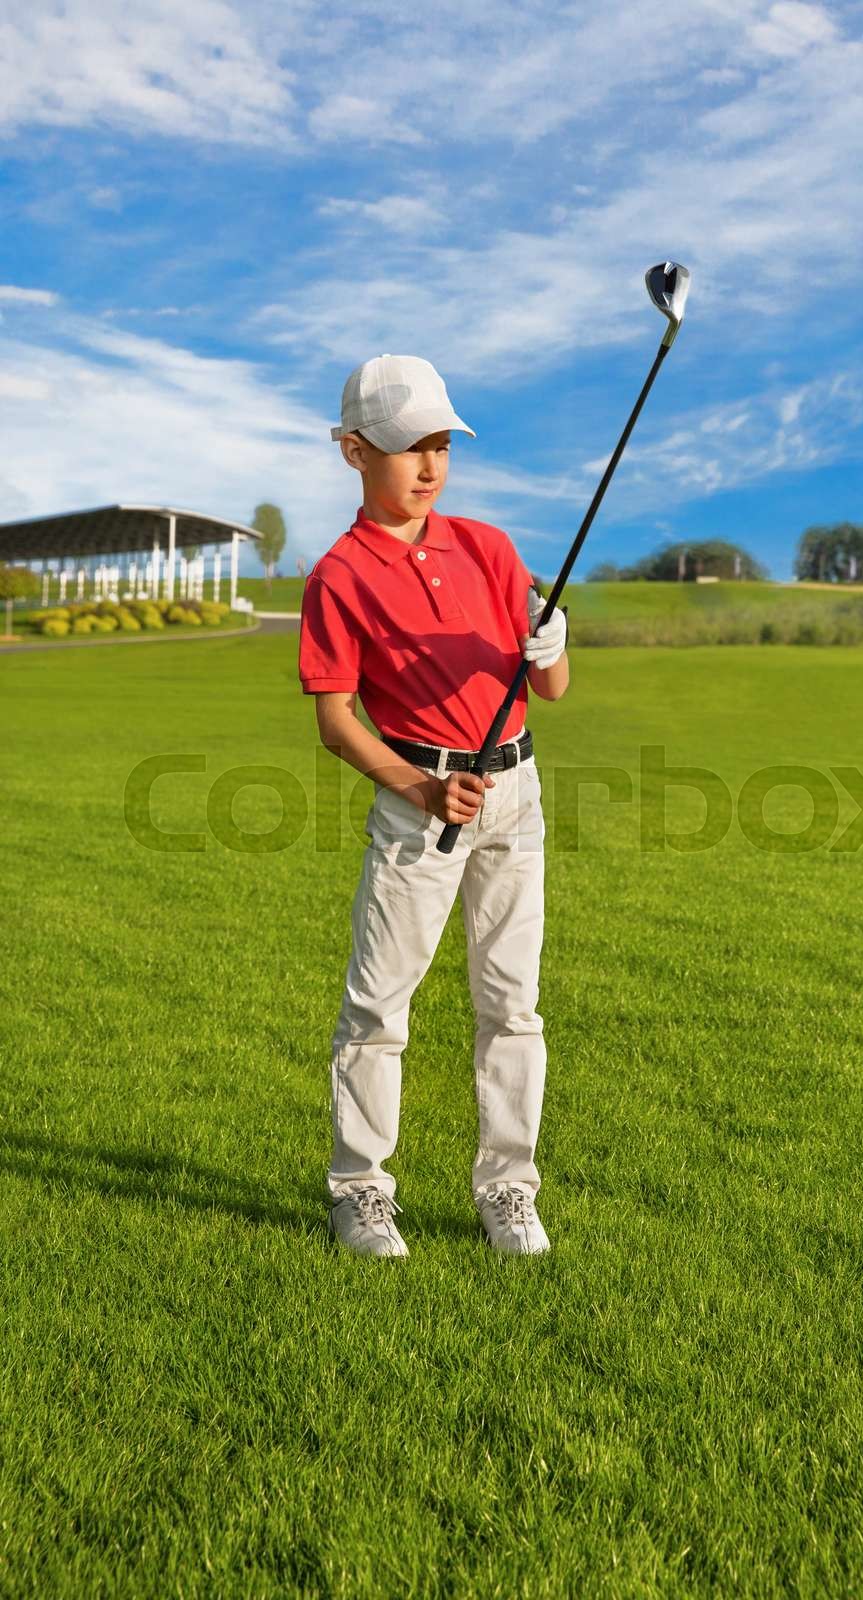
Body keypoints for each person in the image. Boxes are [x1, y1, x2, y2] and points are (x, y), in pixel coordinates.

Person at [299, 354, 569, 1259]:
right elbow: (338, 722)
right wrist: (418, 787)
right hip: (420, 802)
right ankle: (361, 1192)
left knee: (512, 1004)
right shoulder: (338, 576)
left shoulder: (489, 548)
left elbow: (557, 688)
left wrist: (551, 645)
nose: (428, 466)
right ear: (351, 451)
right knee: (379, 1008)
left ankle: (508, 1190)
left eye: (441, 445)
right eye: (406, 446)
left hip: (515, 794)